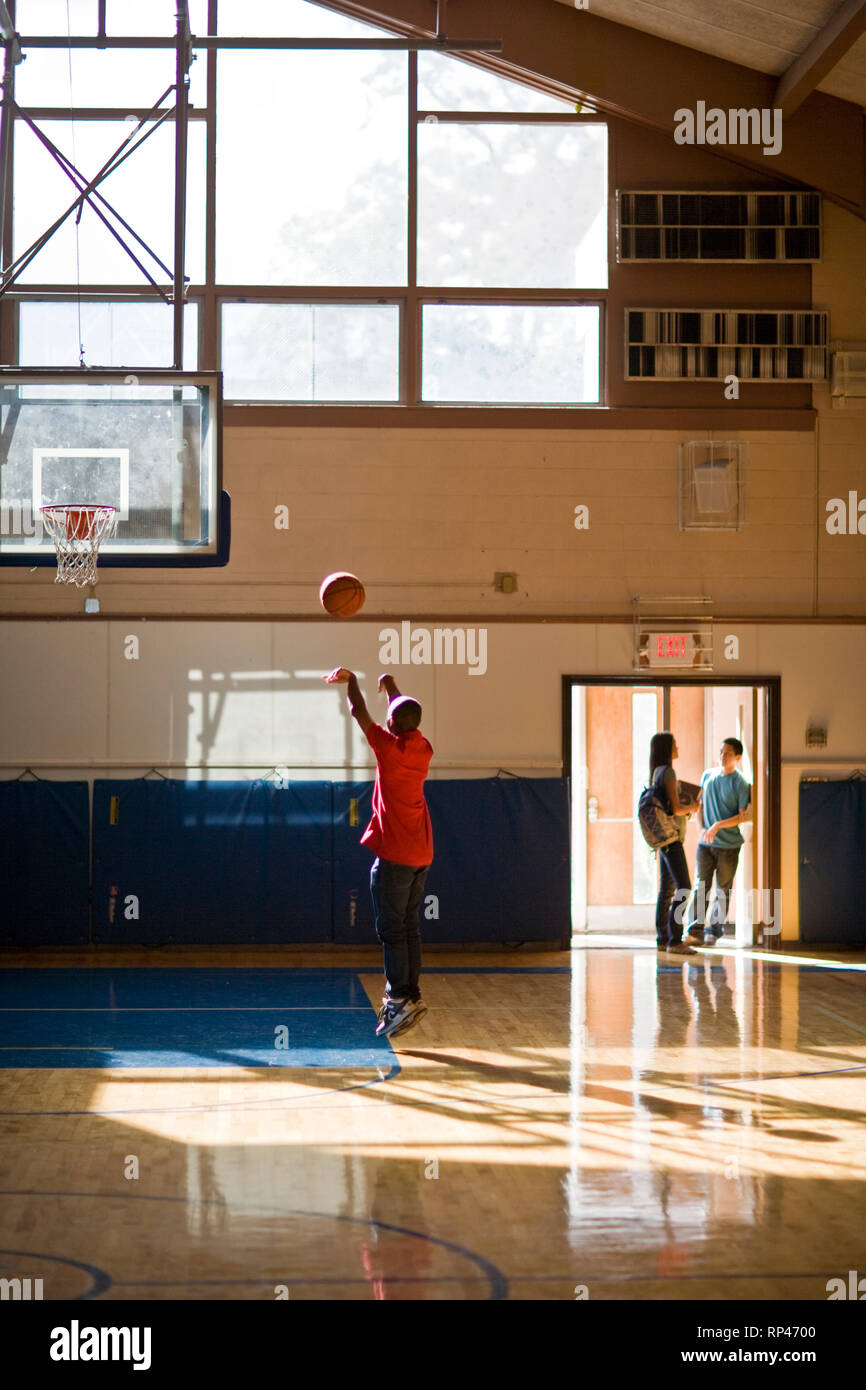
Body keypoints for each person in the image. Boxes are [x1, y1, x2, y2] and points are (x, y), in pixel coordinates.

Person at [324, 666, 433, 1039]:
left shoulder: (389, 750)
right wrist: (390, 686)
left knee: (391, 930)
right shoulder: (423, 747)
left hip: (397, 855)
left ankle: (399, 998)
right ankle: (410, 995)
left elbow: (359, 711)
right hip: (421, 856)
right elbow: (399, 715)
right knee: (410, 927)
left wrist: (352, 679)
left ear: (392, 725)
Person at [684, 738, 751, 947]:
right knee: (700, 886)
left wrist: (719, 825)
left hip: (729, 846)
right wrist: (702, 829)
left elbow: (742, 816)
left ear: (737, 757)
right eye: (721, 752)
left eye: (728, 753)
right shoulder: (707, 776)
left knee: (723, 889)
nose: (723, 756)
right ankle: (694, 931)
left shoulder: (740, 783)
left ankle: (714, 931)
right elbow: (699, 807)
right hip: (705, 844)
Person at [648, 731, 701, 957]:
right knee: (684, 887)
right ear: (667, 749)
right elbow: (677, 808)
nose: (677, 747)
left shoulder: (656, 773)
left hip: (662, 839)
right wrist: (693, 808)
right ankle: (675, 939)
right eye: (674, 744)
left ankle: (663, 938)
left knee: (667, 889)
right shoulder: (668, 772)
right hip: (672, 839)